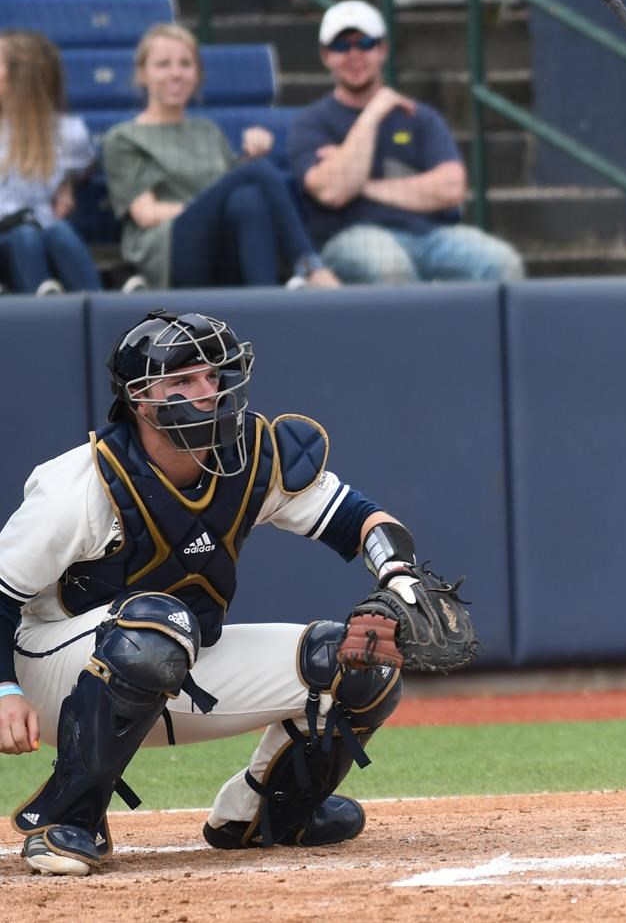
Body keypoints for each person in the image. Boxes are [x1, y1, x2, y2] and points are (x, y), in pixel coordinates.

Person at [0, 311, 433, 874]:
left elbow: (357, 519)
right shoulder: (80, 484)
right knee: (158, 627)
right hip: (51, 679)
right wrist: (4, 690)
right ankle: (66, 817)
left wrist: (398, 573)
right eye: (182, 382)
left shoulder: (252, 454)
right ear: (140, 401)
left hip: (172, 655)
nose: (207, 393)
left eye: (213, 376)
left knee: (358, 663)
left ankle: (266, 814)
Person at [288, 0, 523, 284]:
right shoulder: (311, 122)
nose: (354, 55)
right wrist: (372, 114)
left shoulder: (419, 117)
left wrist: (361, 185)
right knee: (391, 266)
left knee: (502, 262)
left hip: (429, 233)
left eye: (365, 43)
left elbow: (451, 187)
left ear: (383, 49)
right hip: (352, 235)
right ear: (326, 56)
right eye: (341, 47)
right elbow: (333, 192)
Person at [101, 25, 338, 291]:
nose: (176, 74)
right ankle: (309, 266)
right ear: (142, 74)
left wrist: (248, 157)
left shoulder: (208, 131)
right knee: (258, 172)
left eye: (185, 64)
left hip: (220, 249)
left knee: (248, 198)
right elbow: (147, 213)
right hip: (169, 251)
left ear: (197, 74)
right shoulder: (123, 137)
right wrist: (209, 206)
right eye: (163, 65)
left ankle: (265, 301)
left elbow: (232, 195)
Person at [0, 29, 101, 294]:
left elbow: (86, 164)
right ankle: (43, 309)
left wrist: (69, 184)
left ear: (21, 77)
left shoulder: (67, 132)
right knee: (25, 238)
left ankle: (98, 305)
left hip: (44, 228)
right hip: (8, 237)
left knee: (61, 233)